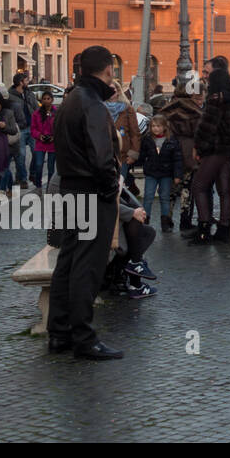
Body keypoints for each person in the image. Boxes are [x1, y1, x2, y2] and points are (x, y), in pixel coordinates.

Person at [47, 45, 125, 359]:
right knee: (87, 266)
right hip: (92, 193)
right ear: (108, 71)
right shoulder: (91, 104)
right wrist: (110, 190)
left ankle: (60, 332)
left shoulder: (71, 100)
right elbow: (102, 158)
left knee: (68, 262)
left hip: (70, 189)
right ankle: (83, 336)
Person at [189, 68, 230, 244]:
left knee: (199, 186)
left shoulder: (216, 100)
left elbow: (207, 127)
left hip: (216, 148)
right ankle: (224, 228)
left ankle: (203, 229)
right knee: (224, 190)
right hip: (229, 147)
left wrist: (198, 147)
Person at [137, 113, 182, 231]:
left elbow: (177, 159)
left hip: (166, 173)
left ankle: (165, 223)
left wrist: (177, 175)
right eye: (153, 126)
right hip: (151, 172)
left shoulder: (171, 140)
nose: (155, 128)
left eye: (158, 126)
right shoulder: (147, 139)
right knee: (148, 197)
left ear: (164, 127)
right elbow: (142, 155)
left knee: (164, 197)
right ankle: (144, 221)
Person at [8, 73, 33, 189]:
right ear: (20, 83)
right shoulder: (10, 96)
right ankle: (22, 179)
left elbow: (36, 108)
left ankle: (32, 174)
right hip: (20, 129)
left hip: (33, 127)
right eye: (26, 80)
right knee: (21, 156)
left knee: (37, 155)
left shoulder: (29, 93)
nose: (28, 82)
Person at [30, 90, 57, 190]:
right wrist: (39, 136)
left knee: (51, 168)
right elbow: (33, 129)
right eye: (44, 99)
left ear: (52, 100)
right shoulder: (36, 113)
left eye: (48, 99)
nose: (46, 101)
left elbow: (58, 127)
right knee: (38, 165)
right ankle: (38, 185)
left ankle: (49, 186)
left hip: (52, 143)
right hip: (40, 142)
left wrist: (54, 137)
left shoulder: (56, 113)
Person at [0, 92, 20, 196]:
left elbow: (13, 130)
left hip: (4, 146)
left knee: (3, 169)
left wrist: (4, 126)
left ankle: (8, 187)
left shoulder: (8, 113)